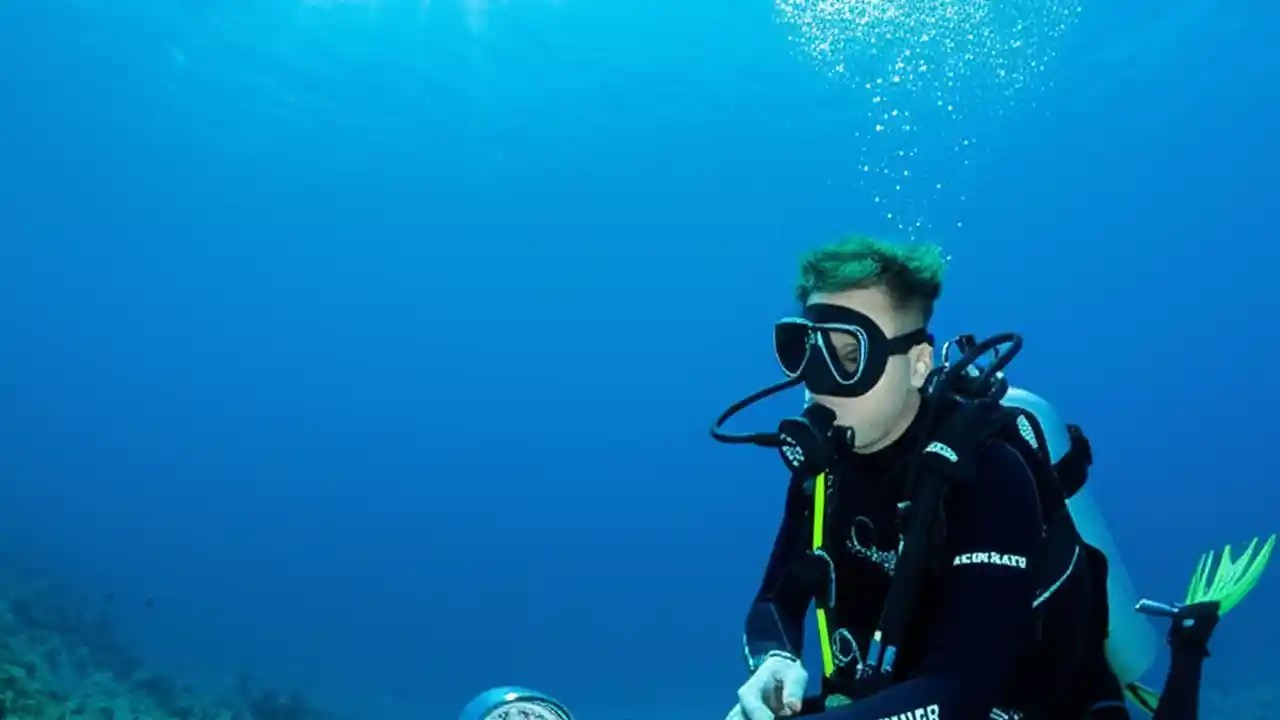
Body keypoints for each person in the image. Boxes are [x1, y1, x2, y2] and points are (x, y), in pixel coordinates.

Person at [710, 235, 1124, 720]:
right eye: (805, 352)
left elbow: (961, 690)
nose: (817, 384)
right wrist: (774, 660)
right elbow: (775, 600)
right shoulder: (823, 475)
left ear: (918, 364)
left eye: (848, 358)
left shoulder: (989, 475)